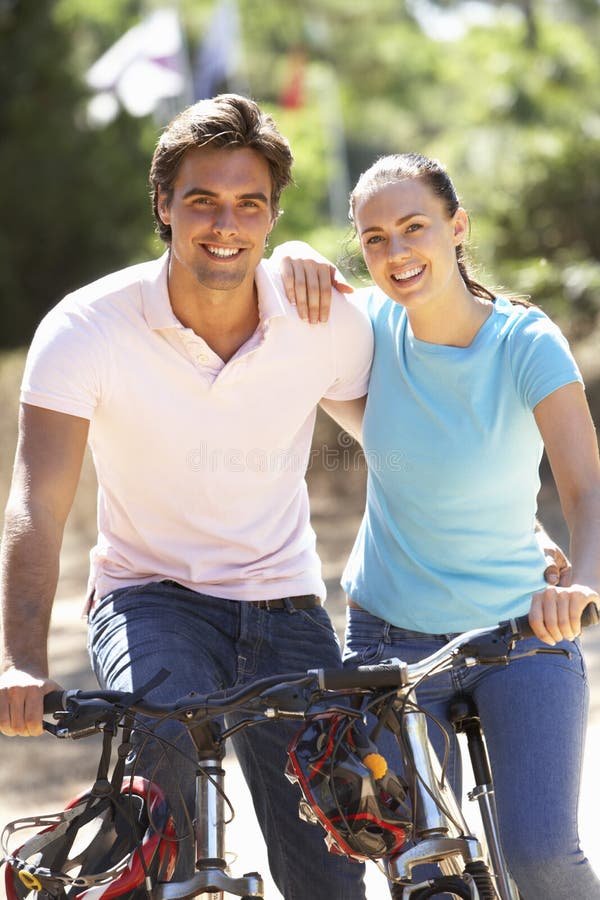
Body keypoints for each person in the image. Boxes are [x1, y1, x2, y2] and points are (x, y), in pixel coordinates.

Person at [0, 94, 375, 899]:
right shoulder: (86, 327)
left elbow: (408, 446)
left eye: (249, 204)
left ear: (273, 216)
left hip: (287, 605)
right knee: (166, 792)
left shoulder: (323, 319)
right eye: (201, 200)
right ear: (164, 206)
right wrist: (20, 658)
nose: (224, 224)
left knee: (333, 868)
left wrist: (526, 529)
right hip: (150, 600)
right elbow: (37, 499)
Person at [275, 152, 600, 899]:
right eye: (374, 238)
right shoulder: (367, 333)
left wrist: (578, 586)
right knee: (423, 870)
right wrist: (293, 252)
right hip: (390, 640)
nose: (395, 253)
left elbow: (586, 492)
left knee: (543, 858)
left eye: (414, 227)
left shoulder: (525, 342)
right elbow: (292, 294)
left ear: (457, 228)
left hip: (522, 633)